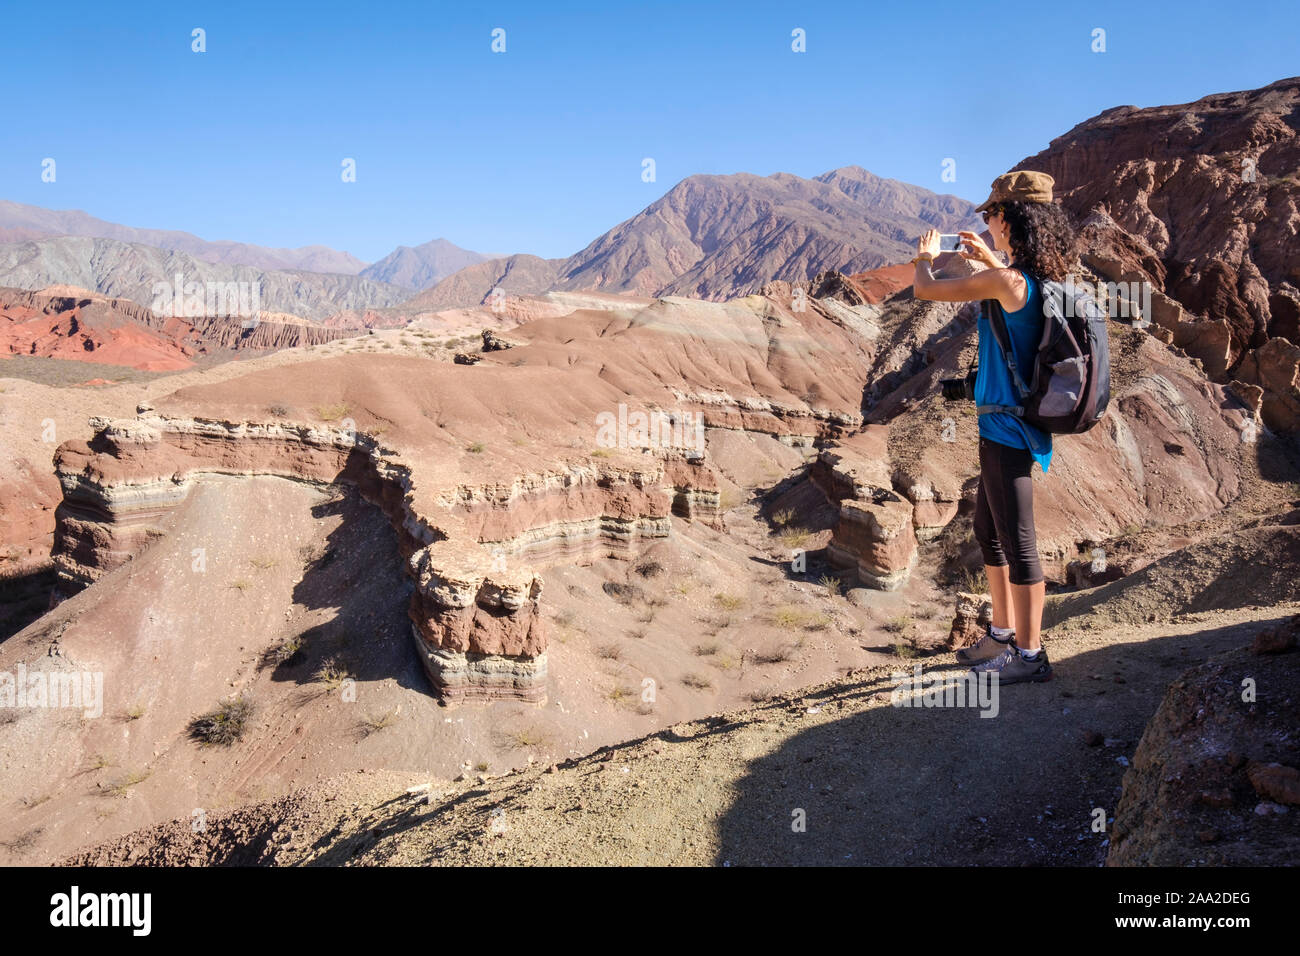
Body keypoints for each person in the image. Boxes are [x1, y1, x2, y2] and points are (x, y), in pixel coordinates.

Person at [911, 170, 1076, 684]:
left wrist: (926, 255)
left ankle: (1030, 656)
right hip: (1004, 425)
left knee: (1018, 540)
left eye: (991, 214)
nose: (987, 222)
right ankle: (1002, 634)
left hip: (1007, 430)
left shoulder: (1007, 282)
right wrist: (991, 260)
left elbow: (925, 290)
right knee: (989, 531)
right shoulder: (1031, 279)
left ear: (1011, 218)